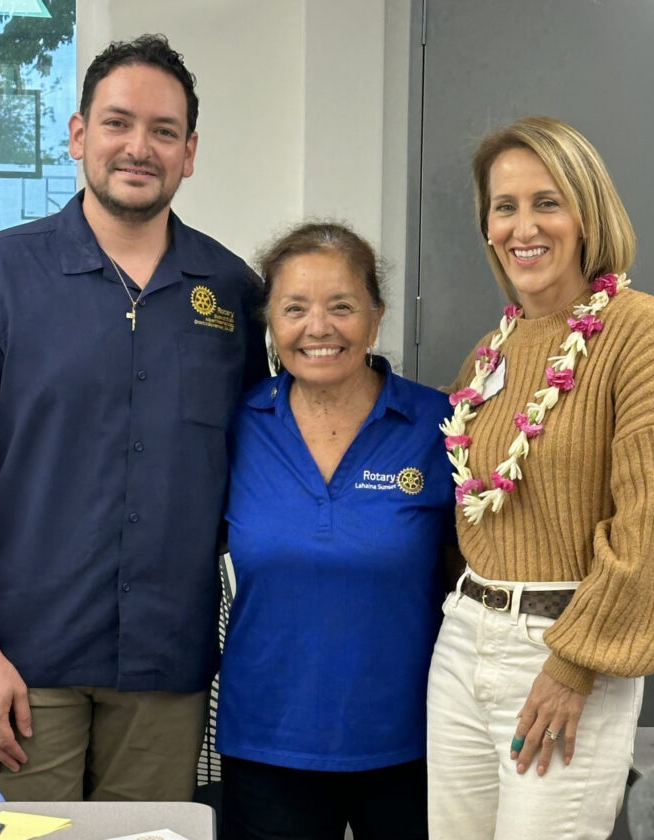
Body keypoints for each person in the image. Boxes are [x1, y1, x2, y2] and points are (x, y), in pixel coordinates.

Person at [0, 34, 267, 801]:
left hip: (166, 667)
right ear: (79, 133)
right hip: (23, 665)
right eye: (118, 123)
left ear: (189, 152)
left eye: (162, 131)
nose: (138, 148)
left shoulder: (231, 292)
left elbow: (253, 471)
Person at [426, 116, 654, 840]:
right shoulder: (485, 358)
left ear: (586, 213)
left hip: (563, 650)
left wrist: (574, 667)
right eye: (504, 206)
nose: (523, 225)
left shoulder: (640, 330)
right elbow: (471, 511)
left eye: (545, 201)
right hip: (463, 642)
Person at [215, 222, 454, 840]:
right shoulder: (236, 424)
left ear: (375, 319)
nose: (318, 328)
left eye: (341, 307)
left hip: (415, 739)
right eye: (294, 309)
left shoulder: (441, 423)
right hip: (269, 740)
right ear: (271, 321)